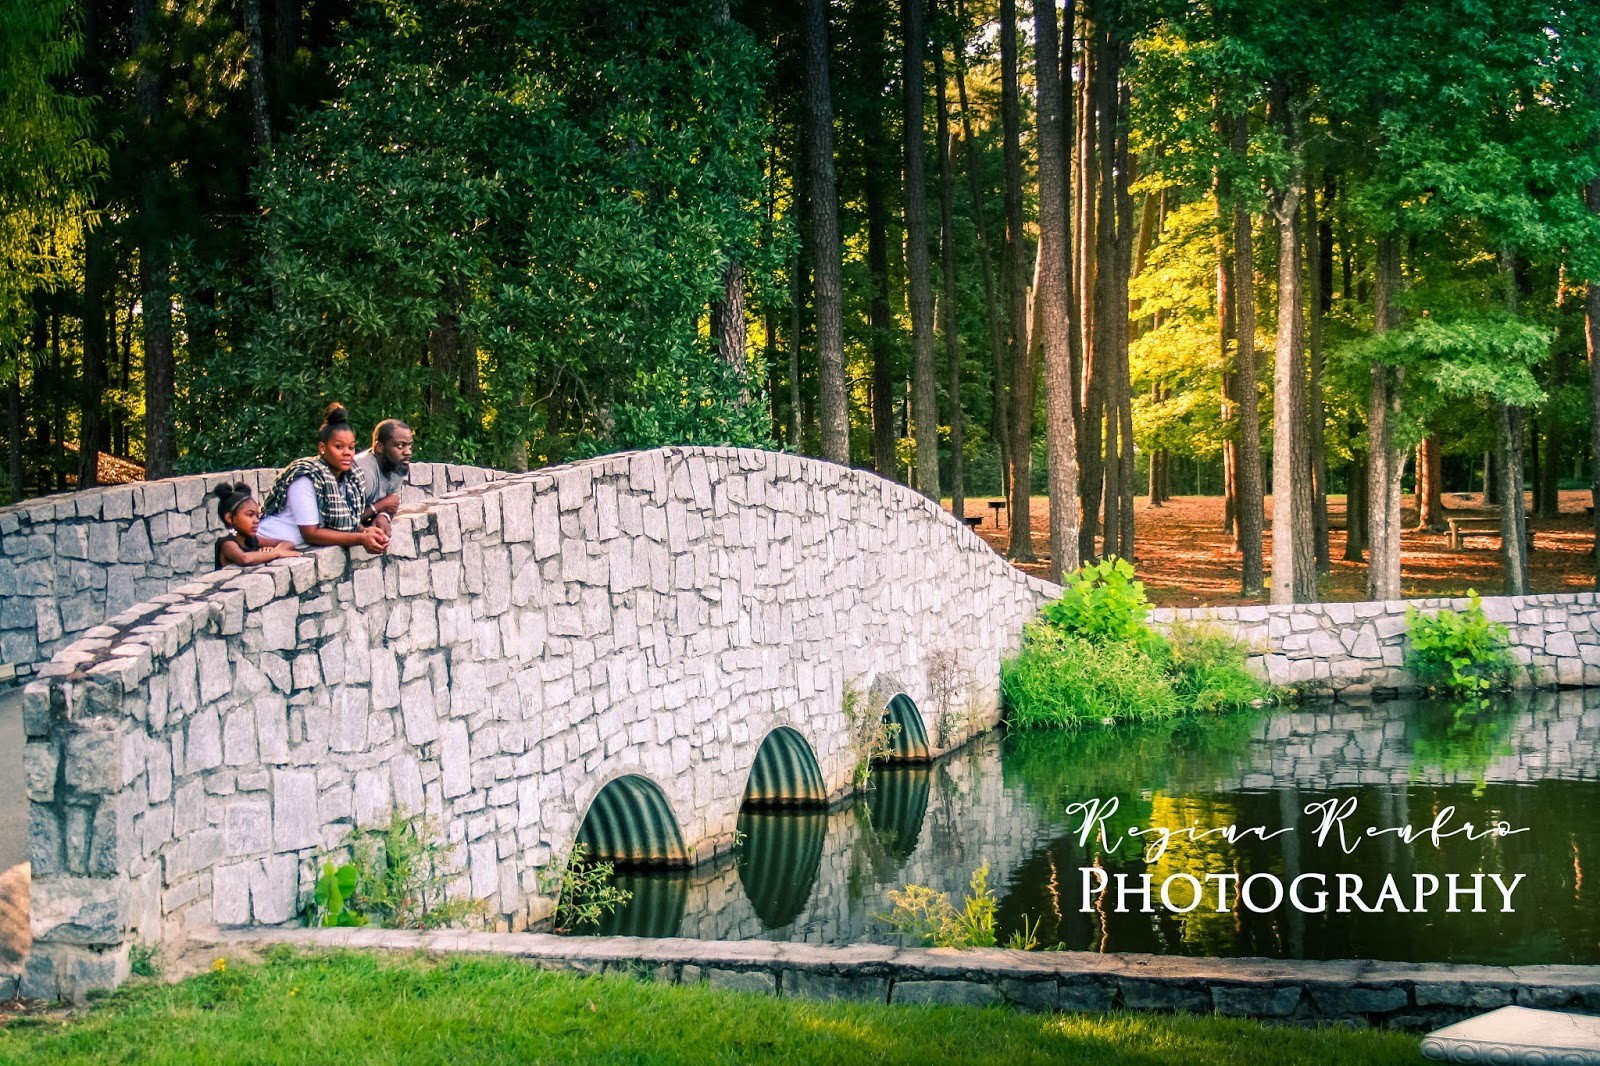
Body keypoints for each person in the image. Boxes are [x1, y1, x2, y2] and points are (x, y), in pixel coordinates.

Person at [258, 403, 390, 554]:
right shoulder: (306, 478)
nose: (347, 453)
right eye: (339, 447)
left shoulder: (349, 478)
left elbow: (348, 520)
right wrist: (360, 539)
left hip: (292, 545)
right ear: (322, 448)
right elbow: (310, 533)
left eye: (351, 447)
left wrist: (367, 532)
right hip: (267, 541)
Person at [212, 482, 300, 567]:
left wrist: (270, 551)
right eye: (250, 515)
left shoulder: (253, 540)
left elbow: (288, 543)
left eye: (257, 516)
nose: (256, 521)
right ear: (229, 518)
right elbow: (244, 559)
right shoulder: (227, 544)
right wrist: (276, 553)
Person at [353, 418, 413, 533]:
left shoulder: (397, 466)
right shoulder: (364, 474)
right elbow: (344, 520)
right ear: (379, 447)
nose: (408, 452)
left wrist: (383, 516)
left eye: (409, 446)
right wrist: (379, 506)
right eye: (400, 446)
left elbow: (392, 504)